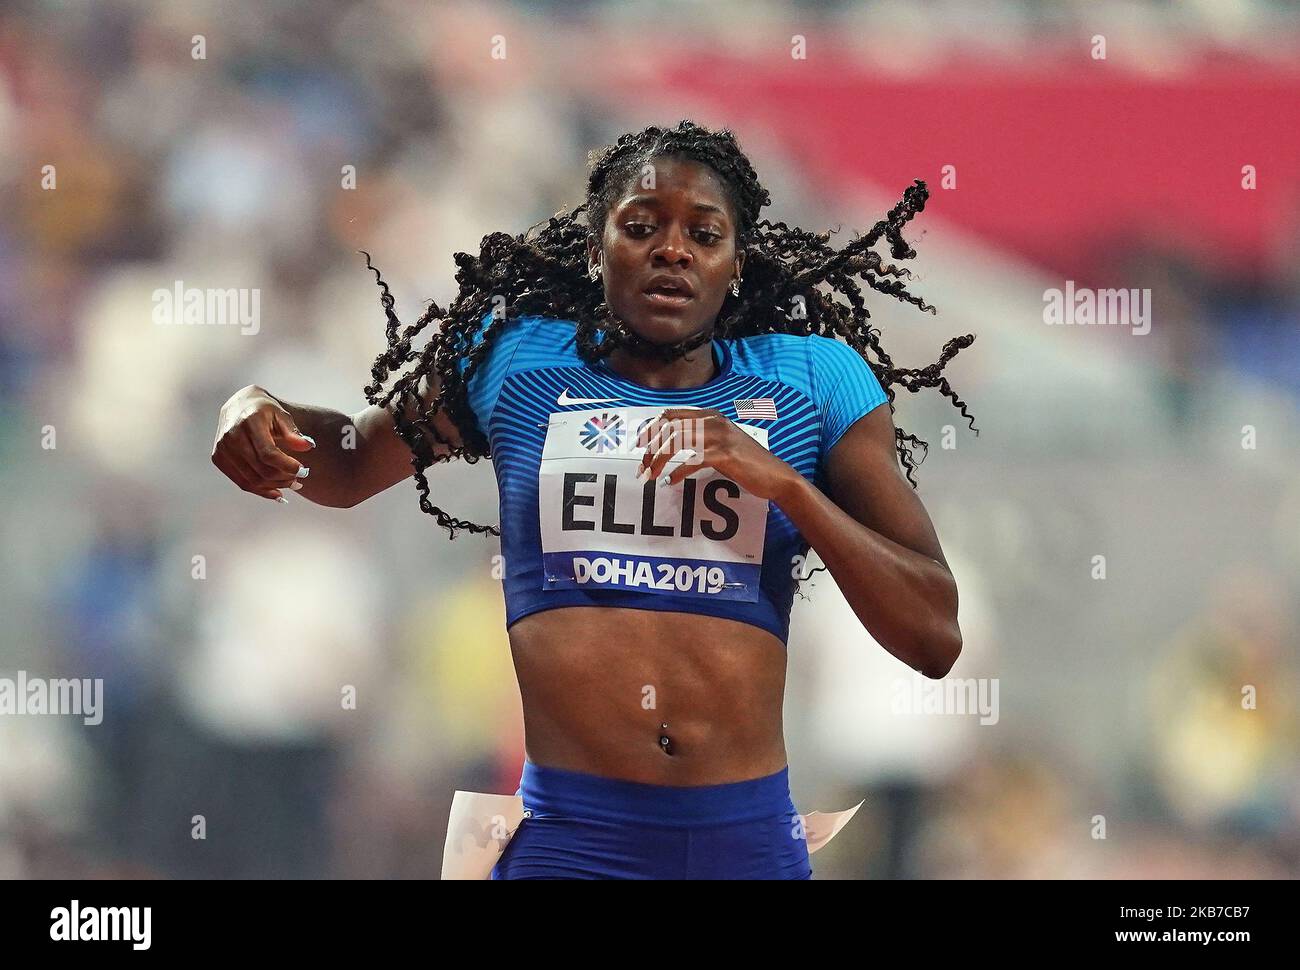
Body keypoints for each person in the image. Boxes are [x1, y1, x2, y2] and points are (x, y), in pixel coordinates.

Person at [211, 120, 976, 879]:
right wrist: (254, 405)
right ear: (594, 247)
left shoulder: (814, 381)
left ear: (736, 263)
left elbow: (933, 636)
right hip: (573, 841)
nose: (672, 249)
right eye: (640, 226)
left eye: (704, 234)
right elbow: (349, 465)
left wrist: (785, 485)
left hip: (742, 842)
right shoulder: (513, 359)